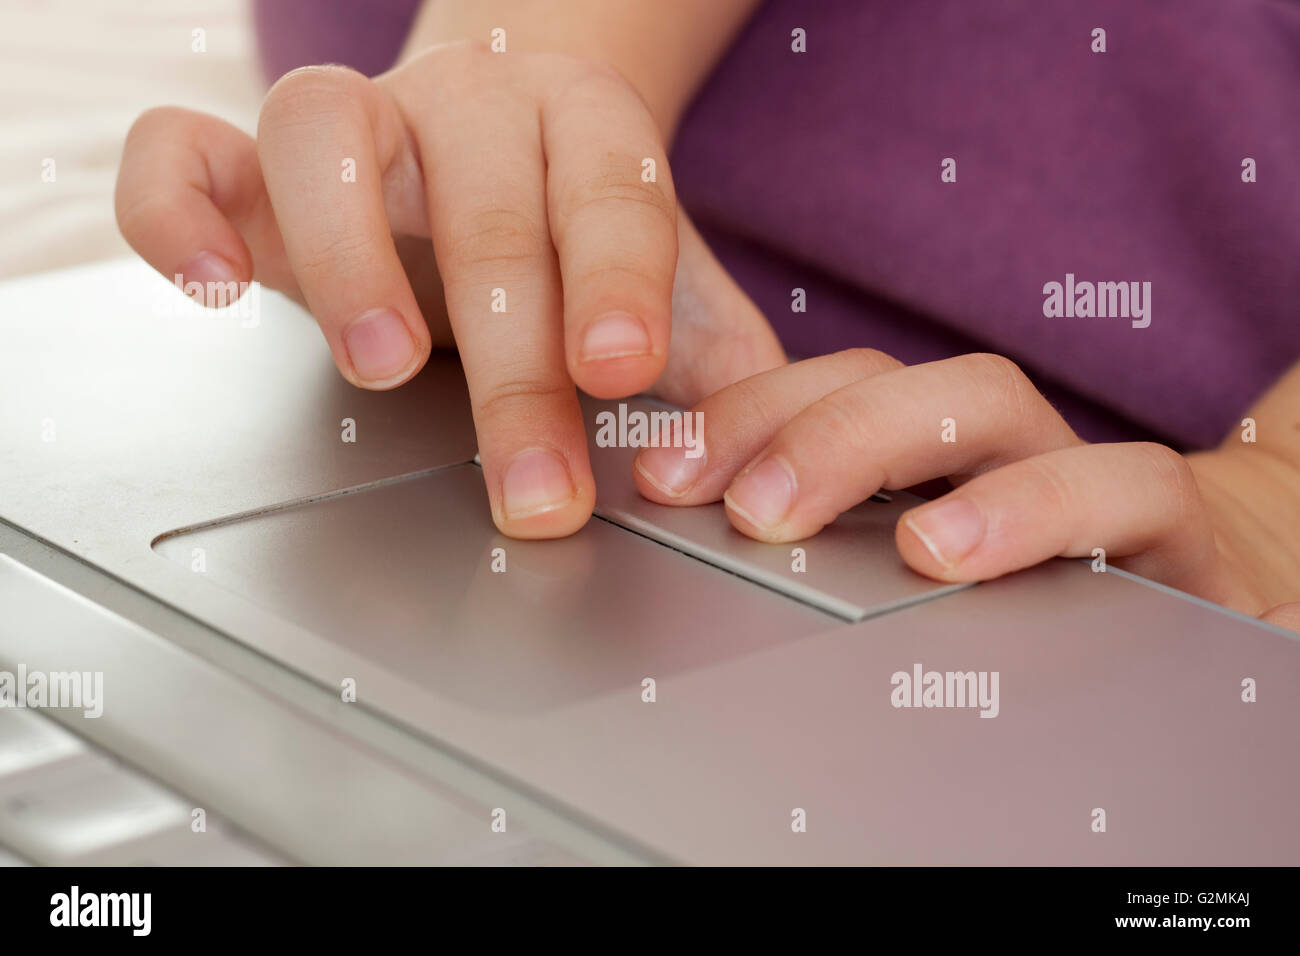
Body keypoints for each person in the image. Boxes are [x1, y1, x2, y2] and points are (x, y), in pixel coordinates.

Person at [114, 0, 1300, 628]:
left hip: (1119, 551)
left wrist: (1271, 502)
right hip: (573, 530)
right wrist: (495, 198)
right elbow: (511, 93)